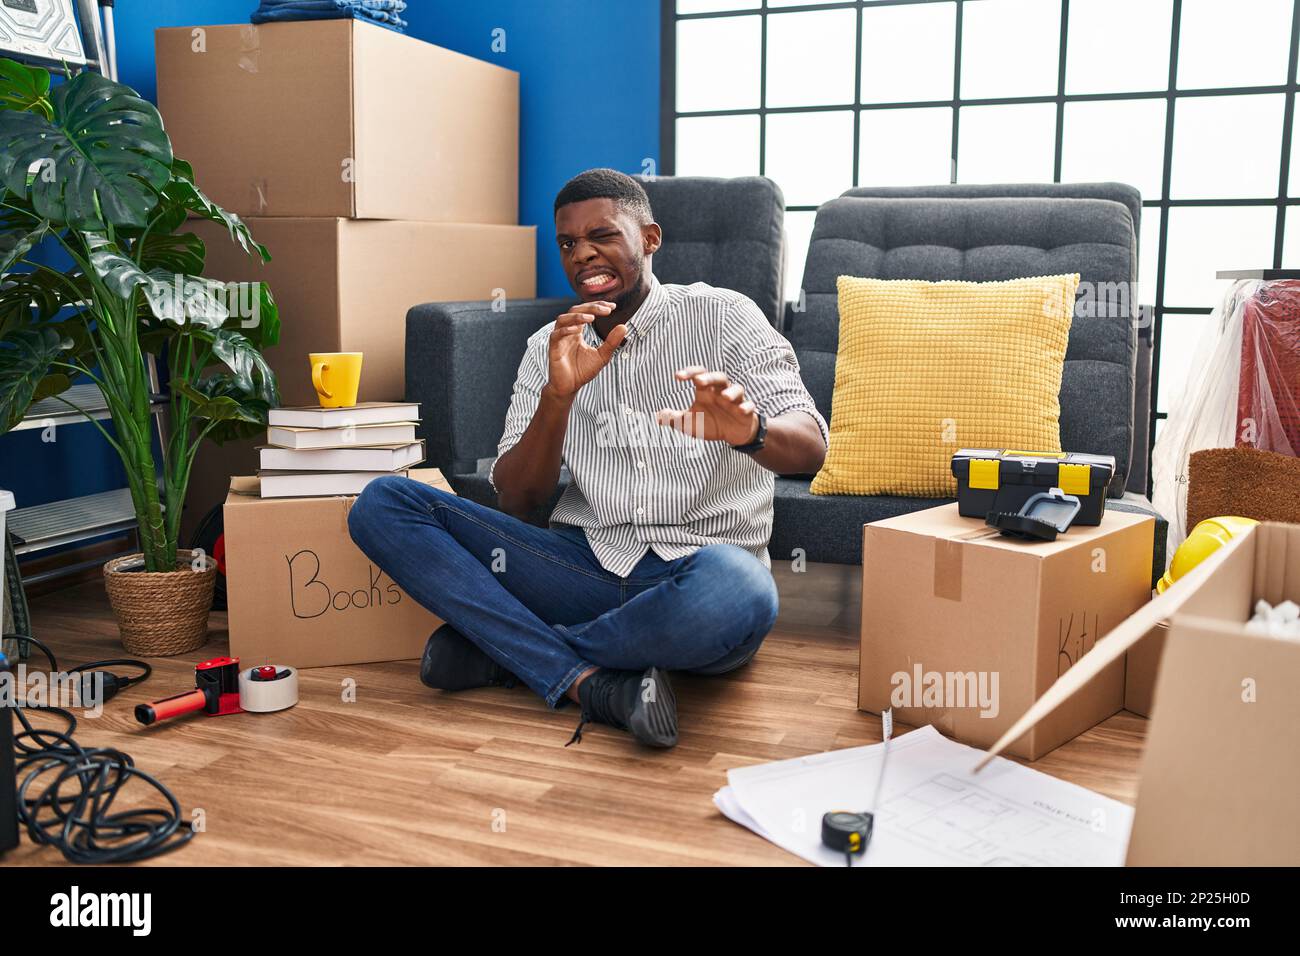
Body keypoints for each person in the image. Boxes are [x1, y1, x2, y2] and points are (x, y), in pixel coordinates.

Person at [348, 168, 828, 748]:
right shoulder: (547, 348)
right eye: (569, 243)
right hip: (581, 566)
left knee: (740, 589)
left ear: (649, 239)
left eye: (602, 235)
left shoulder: (725, 316)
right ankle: (590, 681)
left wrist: (749, 430)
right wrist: (557, 398)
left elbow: (811, 447)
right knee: (383, 502)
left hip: (694, 575)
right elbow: (518, 500)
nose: (583, 255)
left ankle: (511, 653)